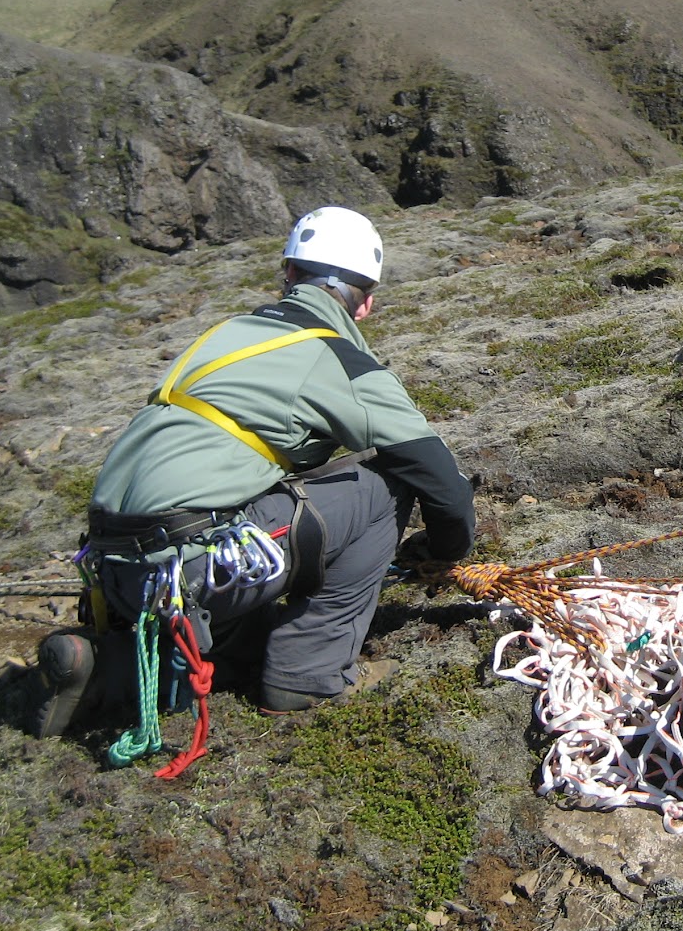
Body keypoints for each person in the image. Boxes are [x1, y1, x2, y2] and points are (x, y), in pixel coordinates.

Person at [30, 206, 475, 738]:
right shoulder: (336, 359)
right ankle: (308, 675)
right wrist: (445, 551)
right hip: (194, 570)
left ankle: (105, 666)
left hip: (114, 571)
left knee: (254, 546)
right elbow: (439, 480)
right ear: (367, 303)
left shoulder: (227, 334)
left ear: (288, 274)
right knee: (385, 488)